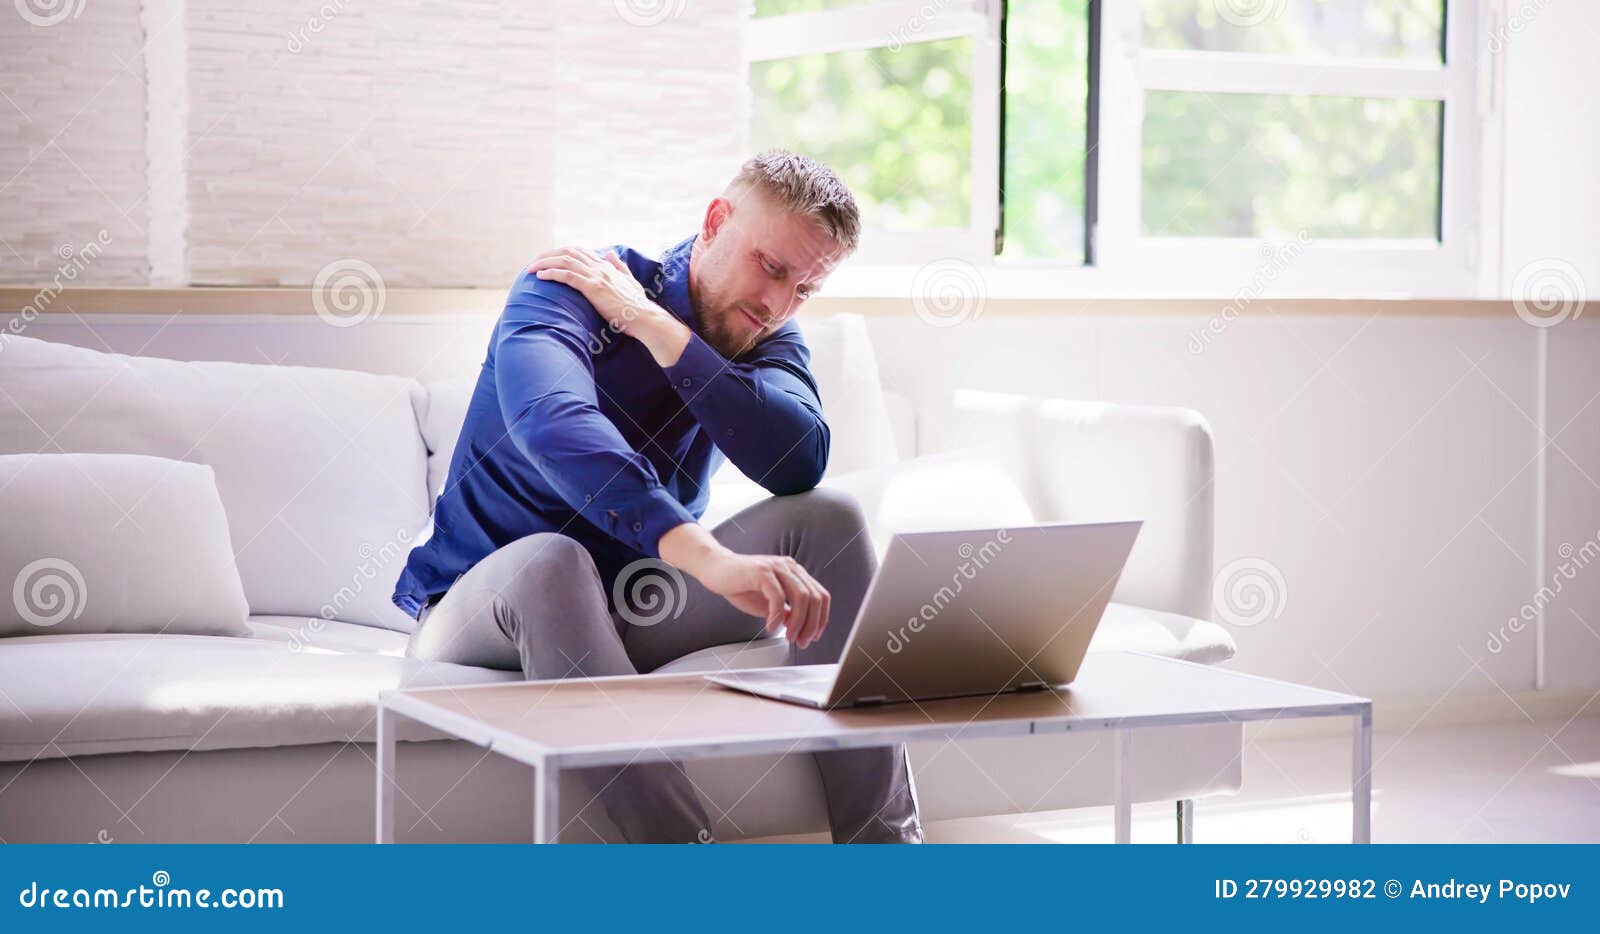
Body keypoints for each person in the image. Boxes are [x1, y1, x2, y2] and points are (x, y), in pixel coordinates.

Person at [392, 150, 922, 844]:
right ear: (715, 222)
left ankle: (888, 862)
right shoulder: (567, 287)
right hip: (483, 609)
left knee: (830, 519)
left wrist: (661, 331)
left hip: (636, 606)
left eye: (804, 289)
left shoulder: (761, 332)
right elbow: (557, 427)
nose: (778, 304)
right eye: (771, 267)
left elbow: (799, 461)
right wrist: (707, 559)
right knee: (551, 561)